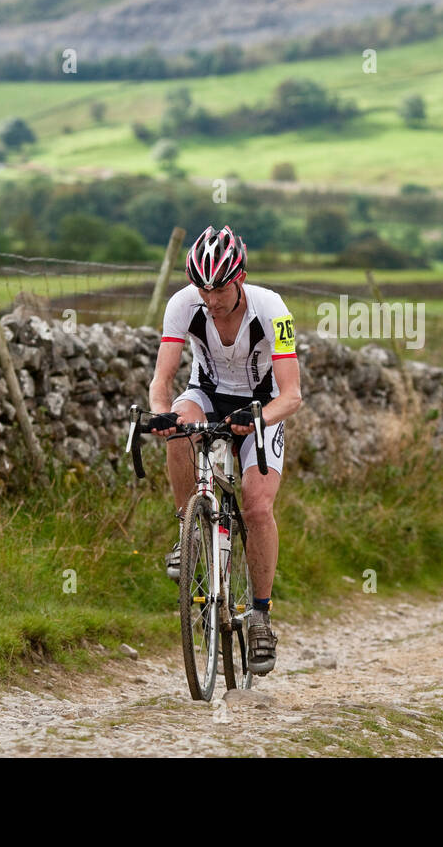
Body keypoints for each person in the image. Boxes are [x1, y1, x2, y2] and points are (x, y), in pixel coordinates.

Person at [147, 224, 302, 675]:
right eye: (203, 289)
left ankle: (260, 617)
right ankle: (190, 532)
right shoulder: (182, 304)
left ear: (241, 278)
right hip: (208, 394)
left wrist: (258, 420)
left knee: (256, 507)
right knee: (179, 427)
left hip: (262, 405)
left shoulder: (273, 309)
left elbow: (292, 395)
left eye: (220, 289)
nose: (210, 300)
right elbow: (162, 380)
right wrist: (161, 413)